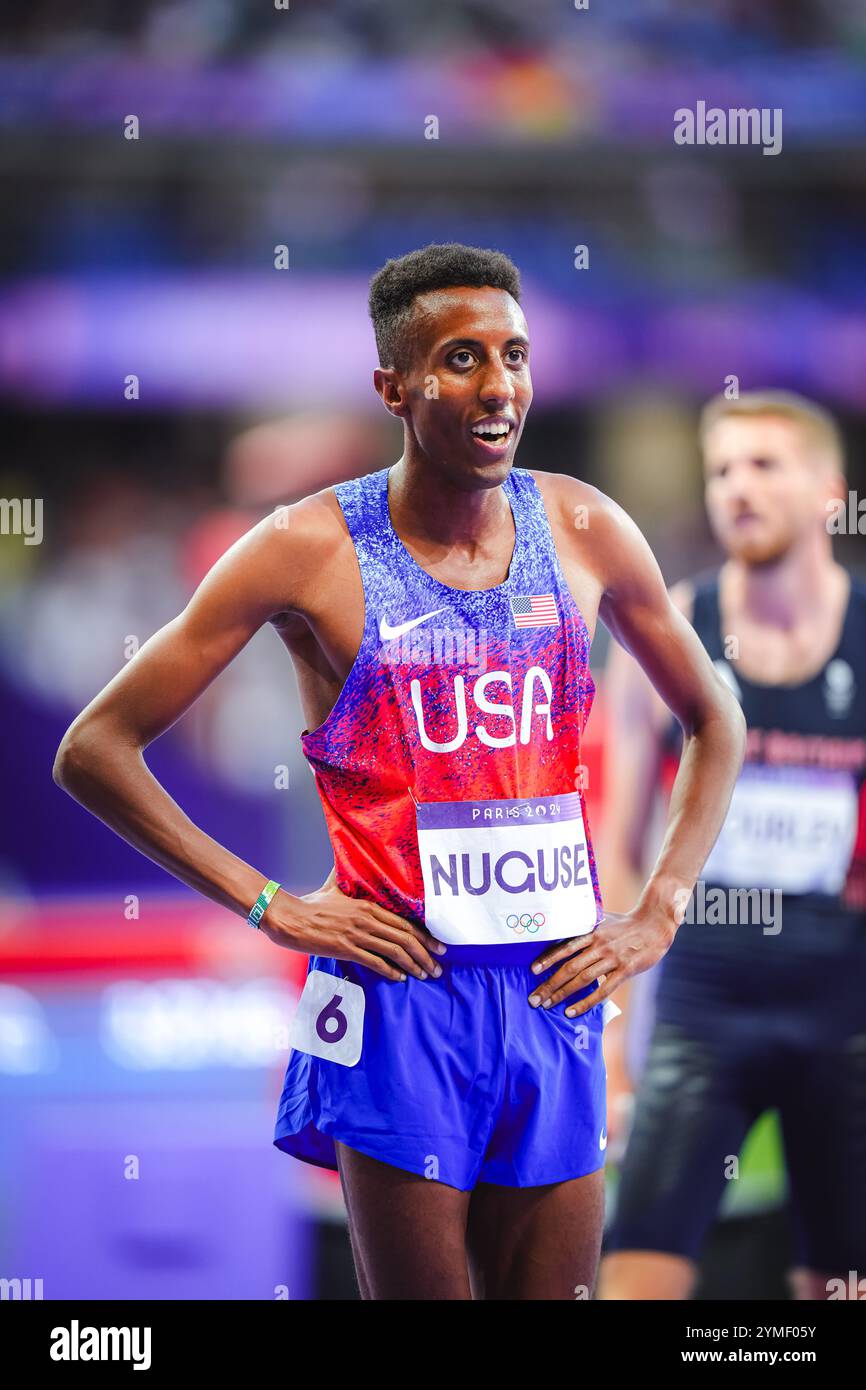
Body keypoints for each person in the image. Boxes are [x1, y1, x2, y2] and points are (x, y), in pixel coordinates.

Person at [53, 243, 744, 1300]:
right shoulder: (305, 546)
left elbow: (713, 717)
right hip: (398, 996)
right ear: (394, 385)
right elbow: (94, 747)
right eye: (461, 358)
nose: (498, 383)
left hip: (555, 989)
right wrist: (272, 905)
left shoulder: (585, 525)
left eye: (513, 354)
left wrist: (657, 909)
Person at [597, 389, 866, 1302]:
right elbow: (617, 850)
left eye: (764, 466)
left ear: (830, 492)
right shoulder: (663, 630)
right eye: (720, 470)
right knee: (634, 1275)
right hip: (702, 1015)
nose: (737, 489)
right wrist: (617, 1038)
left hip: (848, 1020)